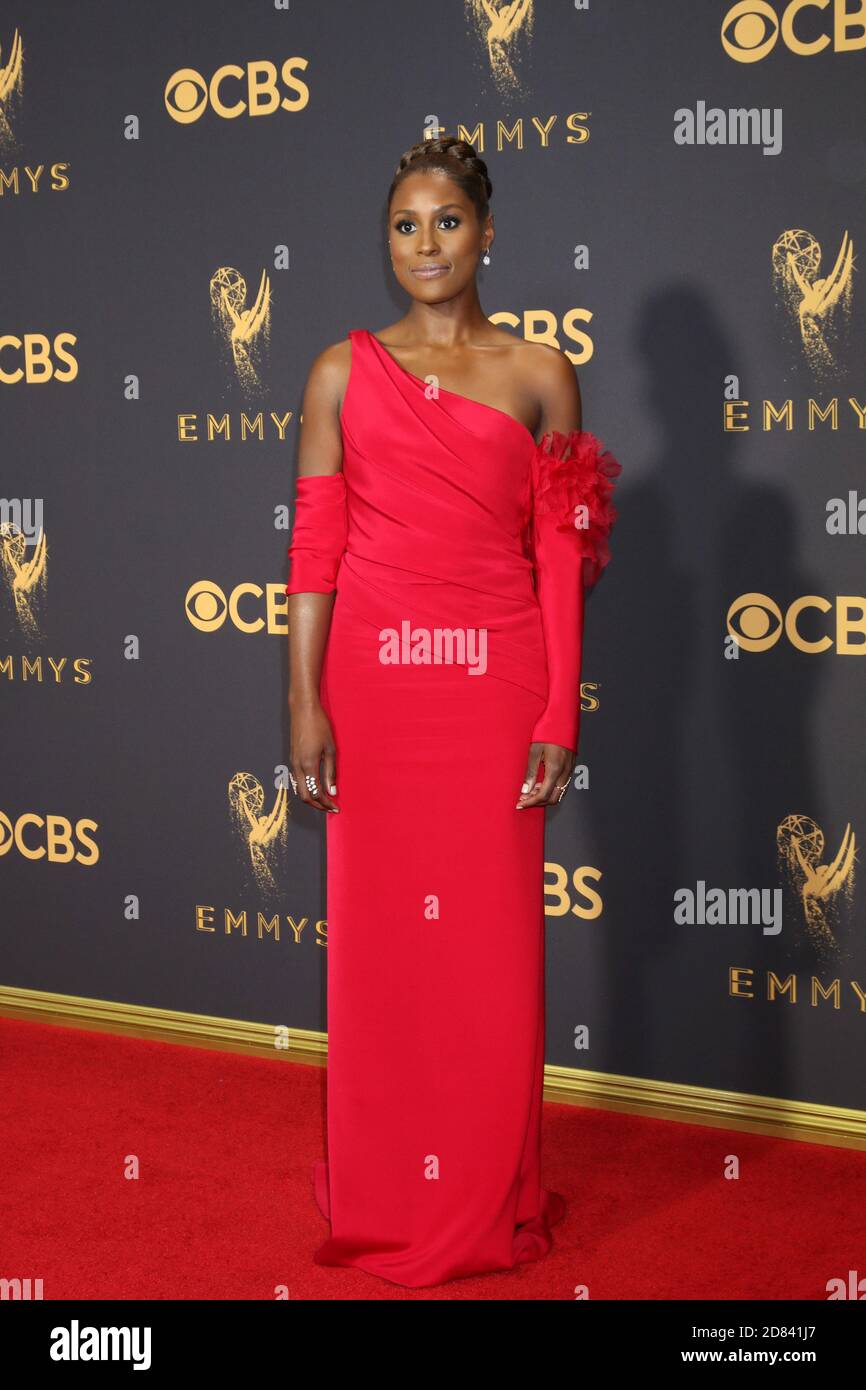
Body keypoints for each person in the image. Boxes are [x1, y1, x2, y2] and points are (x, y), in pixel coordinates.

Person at [284, 136, 620, 1289]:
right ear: (385, 243)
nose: (422, 244)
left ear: (485, 234)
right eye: (402, 225)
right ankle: (383, 1194)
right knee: (380, 959)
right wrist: (303, 704)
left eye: (444, 223)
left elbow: (562, 561)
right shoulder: (339, 372)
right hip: (373, 692)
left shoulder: (539, 374)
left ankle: (489, 1192)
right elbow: (315, 553)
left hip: (492, 689)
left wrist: (556, 714)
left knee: (485, 962)